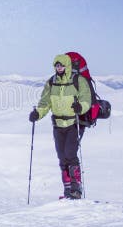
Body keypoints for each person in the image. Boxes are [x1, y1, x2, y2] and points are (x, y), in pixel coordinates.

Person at [28, 54, 92, 199]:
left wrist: (80, 107)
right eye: (56, 66)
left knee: (70, 154)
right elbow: (45, 103)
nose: (59, 68)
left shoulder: (78, 81)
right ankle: (67, 190)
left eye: (61, 65)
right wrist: (38, 114)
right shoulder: (51, 83)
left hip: (73, 123)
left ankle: (76, 189)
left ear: (67, 65)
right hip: (57, 125)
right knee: (62, 157)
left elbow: (86, 99)